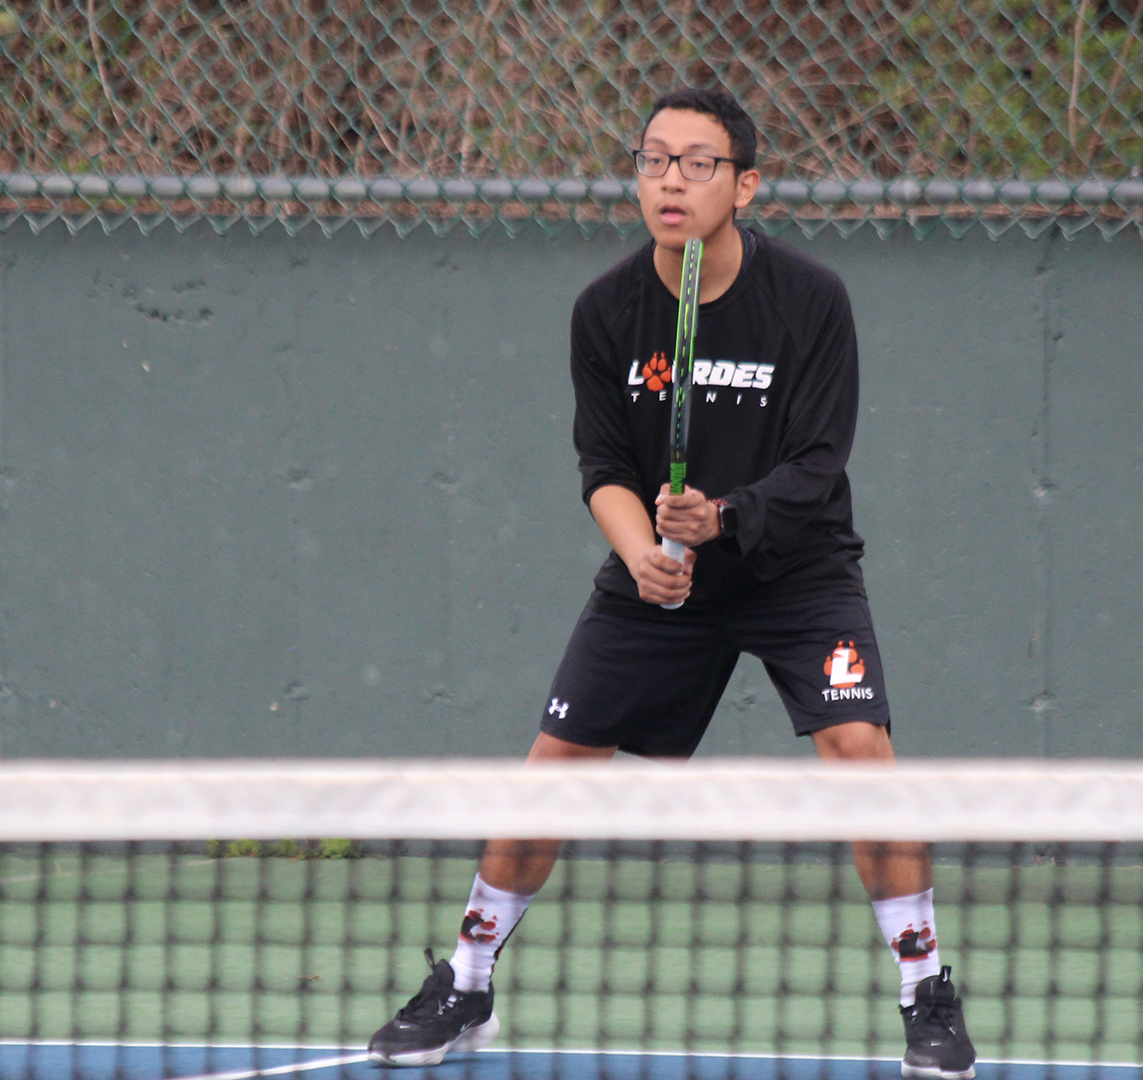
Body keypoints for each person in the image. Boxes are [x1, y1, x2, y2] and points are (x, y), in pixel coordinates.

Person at [366, 88, 976, 1080]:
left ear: (746, 184)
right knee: (555, 762)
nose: (672, 180)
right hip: (661, 580)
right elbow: (603, 468)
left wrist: (725, 517)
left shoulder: (811, 300)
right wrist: (646, 549)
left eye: (699, 162)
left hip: (796, 569)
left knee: (863, 748)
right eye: (655, 159)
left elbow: (819, 462)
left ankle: (927, 992)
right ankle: (468, 979)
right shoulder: (607, 310)